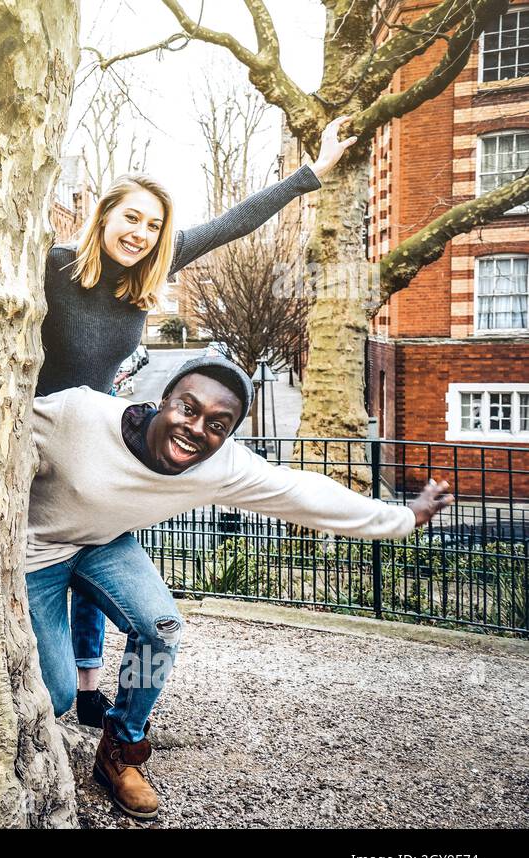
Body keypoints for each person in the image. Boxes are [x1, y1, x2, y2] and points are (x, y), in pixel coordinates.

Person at [26, 357, 453, 820]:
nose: (195, 428)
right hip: (36, 554)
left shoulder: (222, 466)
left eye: (217, 424)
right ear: (162, 401)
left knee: (161, 629)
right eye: (188, 408)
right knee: (56, 693)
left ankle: (121, 749)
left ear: (227, 436)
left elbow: (304, 492)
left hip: (104, 544)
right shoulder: (77, 416)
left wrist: (405, 517)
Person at [36, 117, 358, 729]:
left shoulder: (150, 266)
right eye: (131, 217)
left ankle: (116, 726)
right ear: (102, 215)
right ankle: (67, 682)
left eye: (154, 225)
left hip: (102, 451)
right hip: (39, 447)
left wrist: (309, 176)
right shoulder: (52, 266)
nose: (142, 233)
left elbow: (233, 222)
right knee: (49, 674)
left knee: (155, 624)